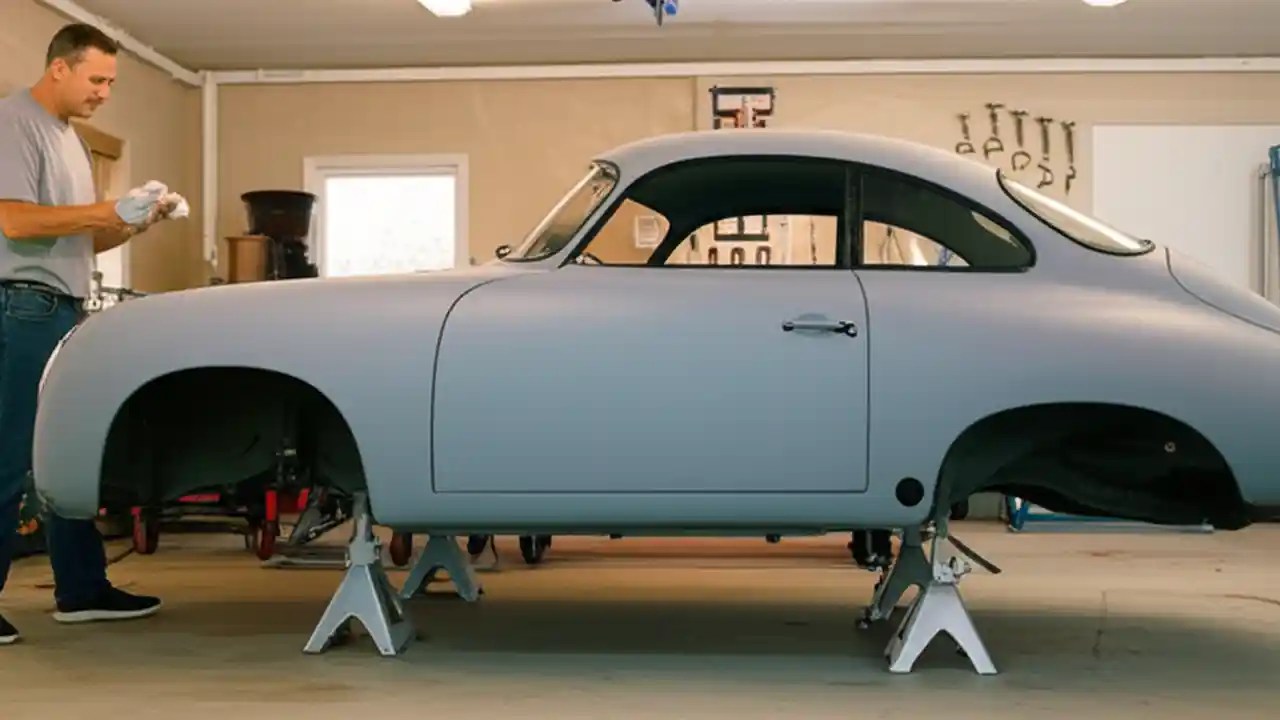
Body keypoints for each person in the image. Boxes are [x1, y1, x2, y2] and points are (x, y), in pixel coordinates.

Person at [0, 23, 178, 645]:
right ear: (60, 69)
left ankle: (81, 588)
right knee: (11, 455)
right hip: (22, 307)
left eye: (110, 82)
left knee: (63, 452)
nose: (104, 92)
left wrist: (134, 222)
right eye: (96, 79)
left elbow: (79, 239)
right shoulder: (14, 123)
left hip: (60, 307)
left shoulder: (70, 140)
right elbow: (14, 221)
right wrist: (109, 209)